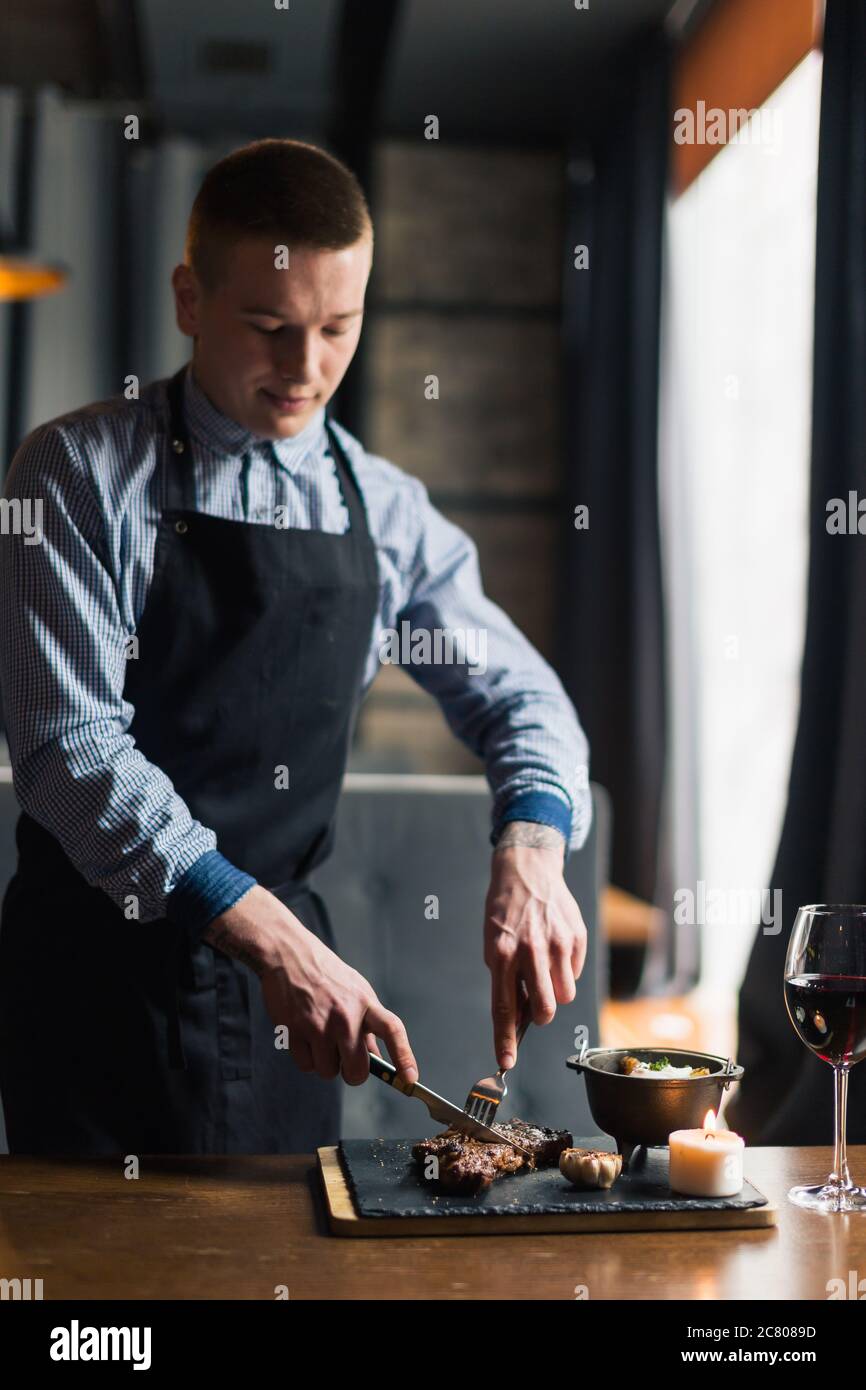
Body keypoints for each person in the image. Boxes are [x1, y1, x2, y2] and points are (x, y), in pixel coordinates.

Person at [0, 138, 591, 1154]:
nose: (306, 368)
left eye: (336, 327)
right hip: (94, 984)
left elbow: (518, 697)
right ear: (189, 298)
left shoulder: (387, 509)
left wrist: (532, 849)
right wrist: (269, 932)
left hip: (293, 1008)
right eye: (269, 326)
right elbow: (69, 749)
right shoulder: (72, 473)